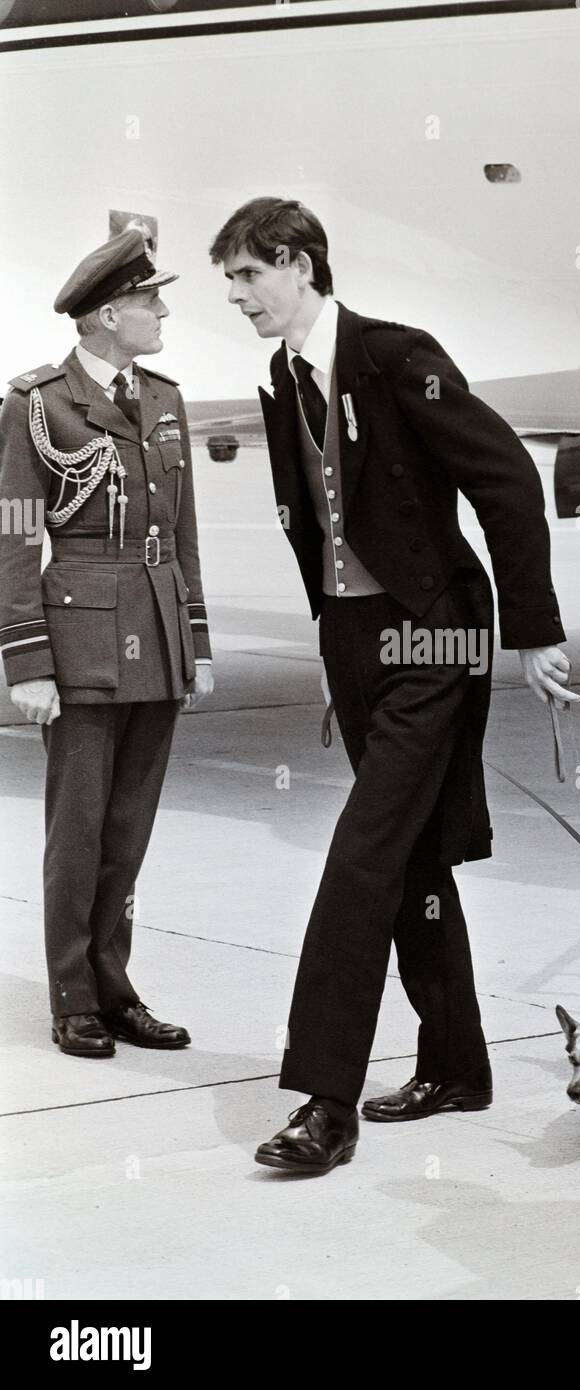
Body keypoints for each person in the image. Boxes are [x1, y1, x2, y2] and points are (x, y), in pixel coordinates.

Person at [209, 197, 576, 1174]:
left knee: (361, 855)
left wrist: (533, 633)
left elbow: (504, 480)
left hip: (435, 637)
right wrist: (339, 655)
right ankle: (456, 1064)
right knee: (411, 861)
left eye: (246, 276)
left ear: (295, 265)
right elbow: (316, 532)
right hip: (362, 644)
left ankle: (325, 1106)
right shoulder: (285, 380)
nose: (237, 297)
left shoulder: (395, 355)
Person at [0, 227, 214, 1058]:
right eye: (148, 300)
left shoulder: (163, 398)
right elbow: (16, 536)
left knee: (128, 830)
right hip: (83, 637)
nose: (161, 311)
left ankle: (115, 986)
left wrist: (193, 637)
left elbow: (183, 530)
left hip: (156, 632)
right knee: (79, 830)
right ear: (104, 314)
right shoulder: (37, 403)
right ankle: (73, 996)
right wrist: (27, 661)